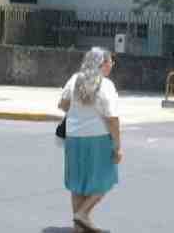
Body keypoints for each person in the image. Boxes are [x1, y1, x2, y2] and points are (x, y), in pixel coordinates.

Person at [58, 47, 122, 233]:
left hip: (74, 137)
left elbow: (62, 104)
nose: (112, 65)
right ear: (103, 64)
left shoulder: (74, 79)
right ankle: (82, 214)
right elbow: (112, 118)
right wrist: (118, 146)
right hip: (98, 138)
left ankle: (78, 227)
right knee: (105, 179)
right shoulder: (106, 85)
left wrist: (78, 110)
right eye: (111, 62)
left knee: (77, 182)